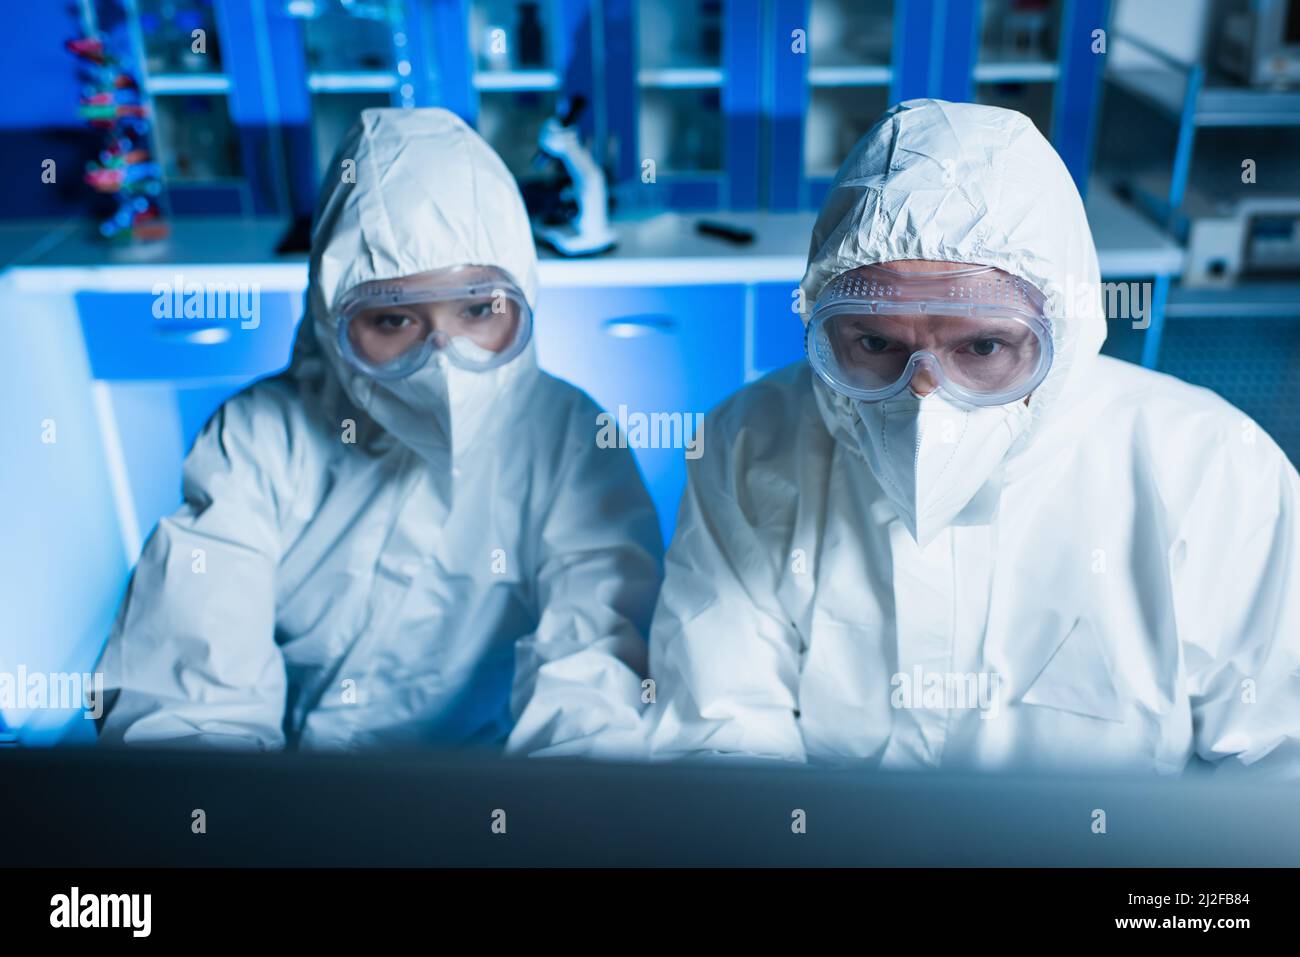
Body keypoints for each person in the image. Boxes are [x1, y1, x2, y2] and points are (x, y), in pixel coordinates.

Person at [644, 99, 1300, 777]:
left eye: (983, 345)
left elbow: (1280, 769)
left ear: (1062, 334)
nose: (925, 395)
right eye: (875, 341)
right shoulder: (750, 442)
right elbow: (721, 735)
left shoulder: (1215, 471)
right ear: (822, 325)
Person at [96, 108, 662, 756]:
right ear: (333, 319)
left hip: (504, 787)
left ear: (521, 297)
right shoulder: (259, 438)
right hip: (295, 790)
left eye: (479, 308)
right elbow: (187, 683)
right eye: (393, 321)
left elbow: (598, 670)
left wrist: (563, 819)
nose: (443, 362)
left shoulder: (569, 435)